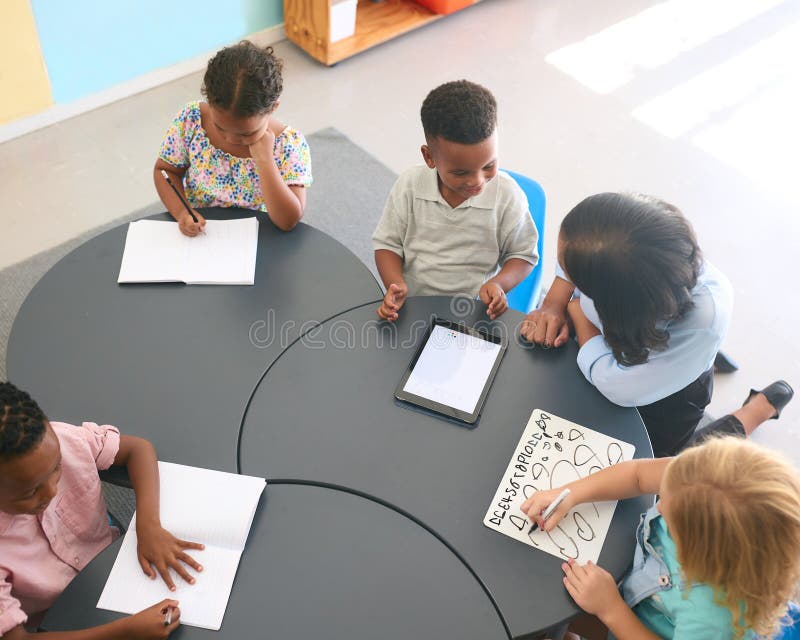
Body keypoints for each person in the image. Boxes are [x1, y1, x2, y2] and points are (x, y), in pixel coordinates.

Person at [520, 192, 793, 456]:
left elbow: (616, 385)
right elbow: (573, 254)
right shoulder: (620, 241)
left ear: (618, 309)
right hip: (637, 352)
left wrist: (578, 314)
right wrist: (554, 302)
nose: (566, 275)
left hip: (659, 402)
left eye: (574, 276)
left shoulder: (701, 318)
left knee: (670, 468)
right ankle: (694, 362)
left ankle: (750, 415)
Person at [522, 436, 800, 640]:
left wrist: (611, 609)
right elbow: (638, 475)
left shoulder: (714, 618)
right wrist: (572, 493)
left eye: (671, 517)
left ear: (701, 555)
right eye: (665, 490)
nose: (659, 504)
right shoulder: (698, 478)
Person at [0, 382, 204, 639]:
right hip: (59, 621)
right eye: (30, 492)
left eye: (56, 468)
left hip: (114, 564)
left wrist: (148, 524)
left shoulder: (61, 440)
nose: (51, 491)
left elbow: (137, 449)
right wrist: (126, 632)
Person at [372, 80, 539, 322]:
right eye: (461, 173)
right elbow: (387, 244)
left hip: (473, 312)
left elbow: (524, 255)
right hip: (413, 306)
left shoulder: (507, 196)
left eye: (489, 165)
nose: (477, 181)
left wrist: (498, 284)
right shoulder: (410, 185)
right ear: (429, 157)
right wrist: (395, 285)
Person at [154, 41, 312, 236]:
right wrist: (182, 212)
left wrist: (265, 160)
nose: (230, 139)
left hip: (259, 236)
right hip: (202, 232)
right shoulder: (192, 120)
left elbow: (288, 221)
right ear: (209, 101)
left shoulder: (288, 145)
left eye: (246, 133)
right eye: (219, 127)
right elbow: (165, 171)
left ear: (272, 108)